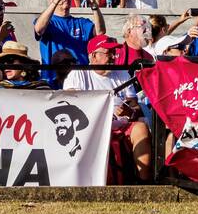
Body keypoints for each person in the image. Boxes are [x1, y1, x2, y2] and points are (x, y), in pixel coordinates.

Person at [63, 34, 151, 180]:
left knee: (141, 128)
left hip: (120, 124)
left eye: (113, 53)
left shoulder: (122, 73)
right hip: (90, 125)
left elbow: (134, 105)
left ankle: (145, 183)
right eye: (107, 53)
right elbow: (71, 102)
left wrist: (129, 110)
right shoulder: (78, 74)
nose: (112, 57)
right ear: (93, 56)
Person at [33, 0, 105, 83]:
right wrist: (57, 0)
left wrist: (93, 3)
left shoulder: (81, 22)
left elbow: (100, 32)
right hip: (54, 81)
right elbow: (39, 28)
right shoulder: (49, 22)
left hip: (80, 81)